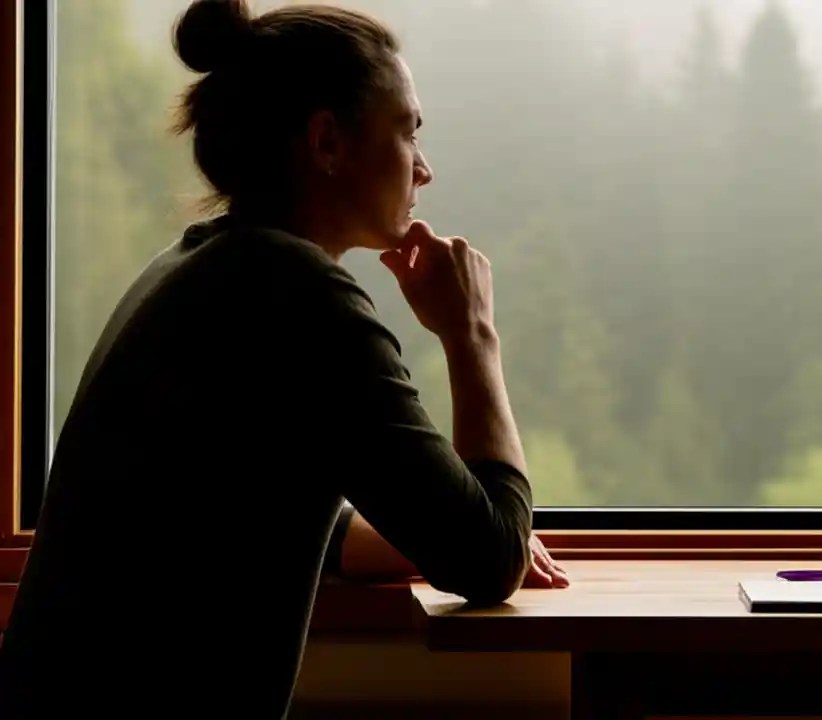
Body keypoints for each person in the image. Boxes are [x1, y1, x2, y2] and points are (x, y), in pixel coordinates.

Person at [0, 0, 567, 716]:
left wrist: (422, 524)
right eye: (407, 132)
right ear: (327, 142)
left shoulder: (198, 265)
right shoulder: (297, 295)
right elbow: (489, 561)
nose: (424, 169)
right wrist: (472, 334)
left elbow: (245, 507)